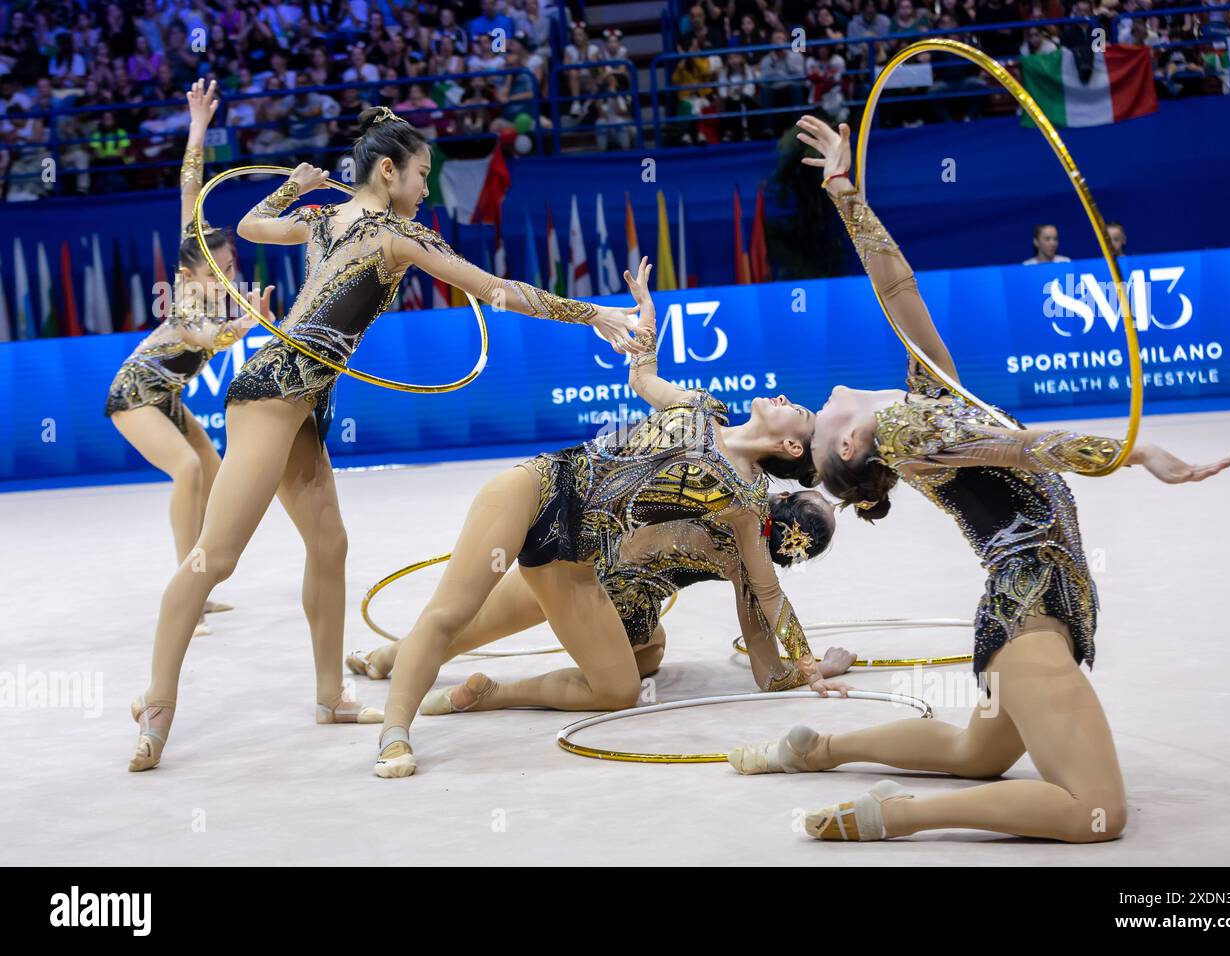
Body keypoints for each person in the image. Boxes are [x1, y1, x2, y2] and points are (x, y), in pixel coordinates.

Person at [729, 116, 1230, 844]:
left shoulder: (921, 402)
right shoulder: (907, 432)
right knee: (1096, 812)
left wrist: (845, 194)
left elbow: (897, 287)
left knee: (977, 753)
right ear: (846, 441)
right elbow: (1022, 449)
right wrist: (1133, 452)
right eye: (812, 419)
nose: (814, 397)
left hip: (1040, 592)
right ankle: (899, 815)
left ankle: (820, 749)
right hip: (1028, 604)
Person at [125, 107, 643, 772]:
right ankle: (159, 707)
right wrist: (592, 312)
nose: (427, 187)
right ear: (390, 170)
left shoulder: (321, 219)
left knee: (329, 544)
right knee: (213, 558)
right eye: (423, 174)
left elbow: (253, 225)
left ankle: (330, 696)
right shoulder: (396, 236)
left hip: (304, 403)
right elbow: (497, 290)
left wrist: (296, 188)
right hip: (272, 393)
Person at [373, 257, 849, 778]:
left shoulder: (747, 501)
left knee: (620, 690)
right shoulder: (704, 406)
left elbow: (768, 591)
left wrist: (806, 665)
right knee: (450, 615)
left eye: (795, 411)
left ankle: (489, 691)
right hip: (539, 487)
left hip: (577, 556)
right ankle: (395, 732)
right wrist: (647, 317)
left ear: (786, 444)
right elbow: (644, 379)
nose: (783, 397)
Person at [346, 494, 852, 706]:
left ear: (781, 499)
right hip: (618, 612)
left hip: (573, 557)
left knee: (468, 625)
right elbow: (768, 673)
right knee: (645, 654)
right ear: (790, 555)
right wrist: (818, 668)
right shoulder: (749, 565)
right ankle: (496, 694)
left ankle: (390, 656)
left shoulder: (728, 488)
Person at [105, 80, 262, 639]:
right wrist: (235, 329)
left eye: (233, 259)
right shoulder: (188, 290)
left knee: (214, 471)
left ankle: (200, 585)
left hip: (164, 397)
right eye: (222, 262)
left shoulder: (213, 284)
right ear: (196, 268)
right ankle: (185, 590)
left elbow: (191, 187)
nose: (230, 267)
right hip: (133, 393)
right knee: (190, 469)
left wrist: (199, 127)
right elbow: (196, 337)